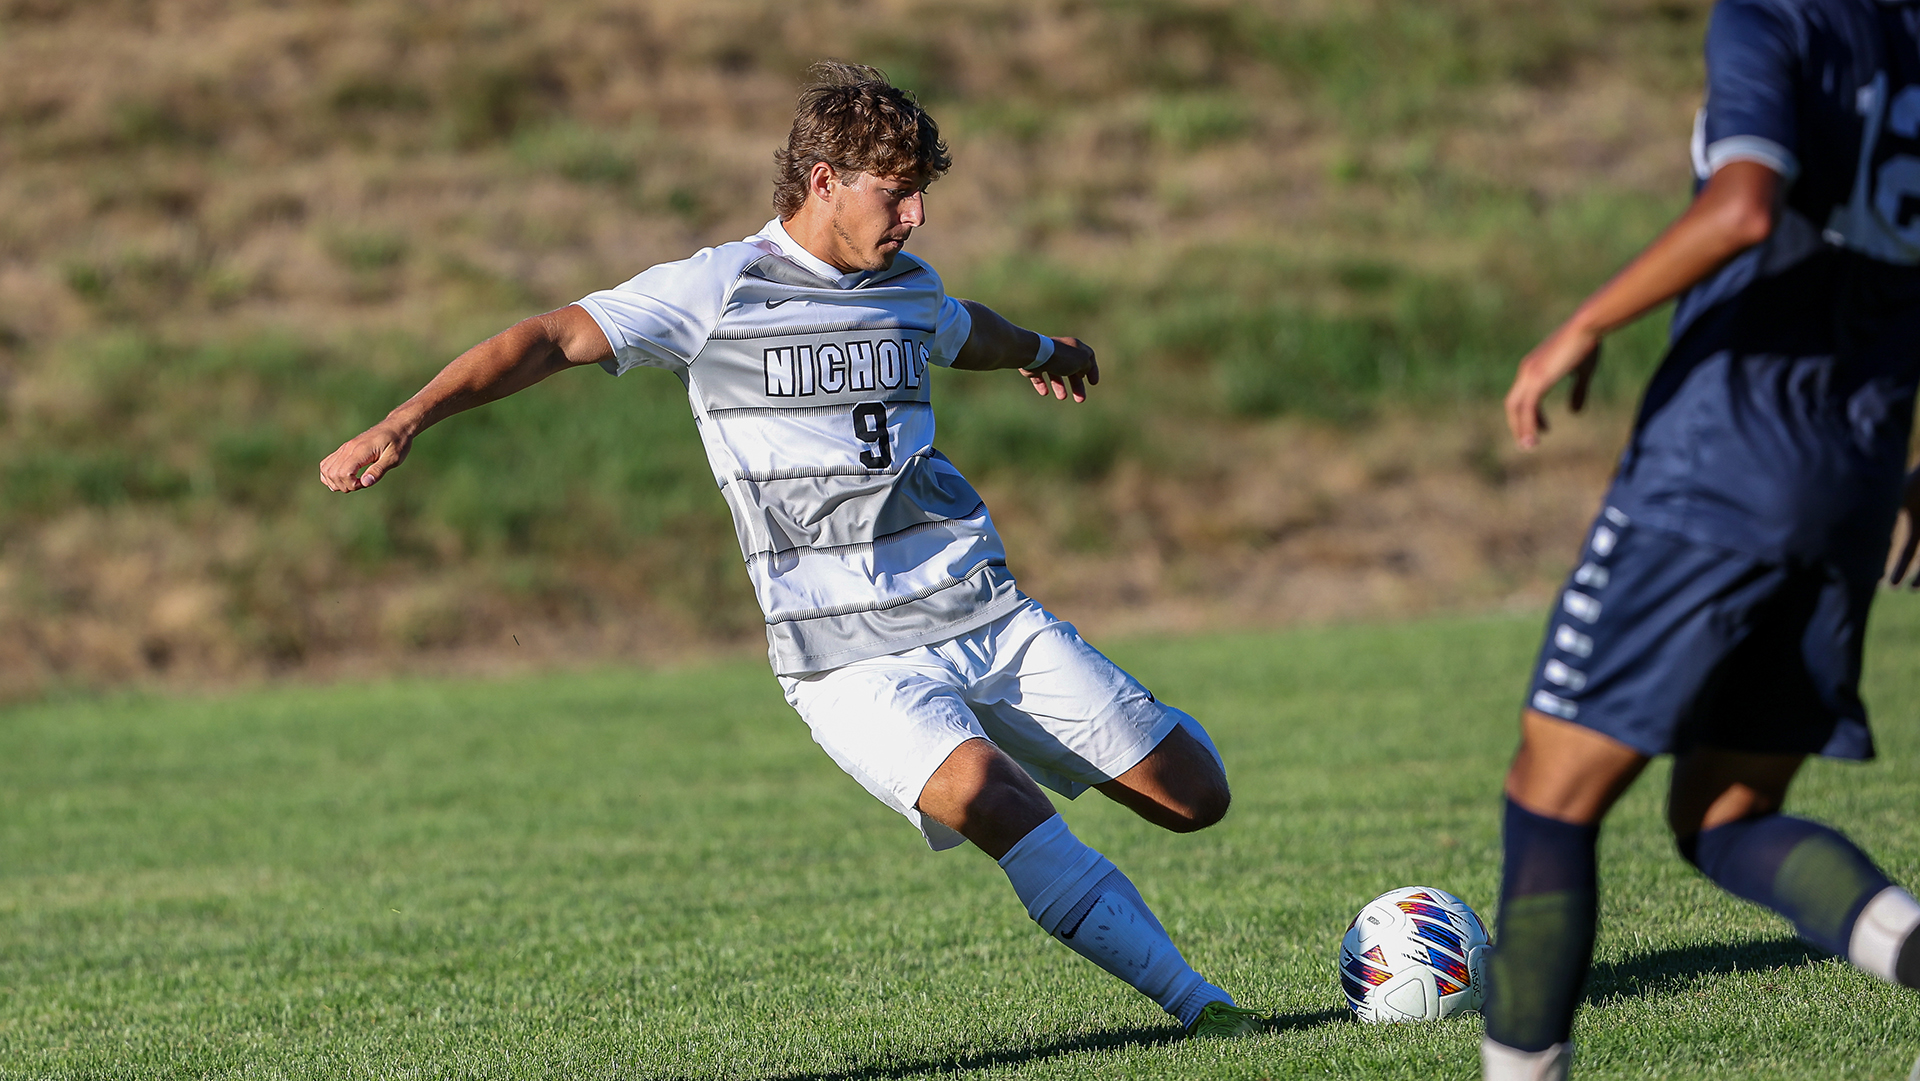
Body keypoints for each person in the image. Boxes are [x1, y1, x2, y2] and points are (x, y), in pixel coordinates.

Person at [318, 62, 1262, 1040]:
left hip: (978, 607)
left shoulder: (907, 285)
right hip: (844, 657)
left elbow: (961, 331)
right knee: (995, 800)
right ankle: (1202, 1008)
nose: (916, 216)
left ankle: (1085, 747)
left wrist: (1040, 350)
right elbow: (553, 337)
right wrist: (405, 419)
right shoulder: (719, 287)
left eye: (921, 194)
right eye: (897, 193)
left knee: (1195, 797)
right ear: (824, 183)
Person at [1483, 1, 1920, 1077]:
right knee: (1725, 813)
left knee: (1551, 795)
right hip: (1855, 478)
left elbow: (1743, 207)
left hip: (1717, 466)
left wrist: (1581, 323)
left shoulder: (1771, 18)